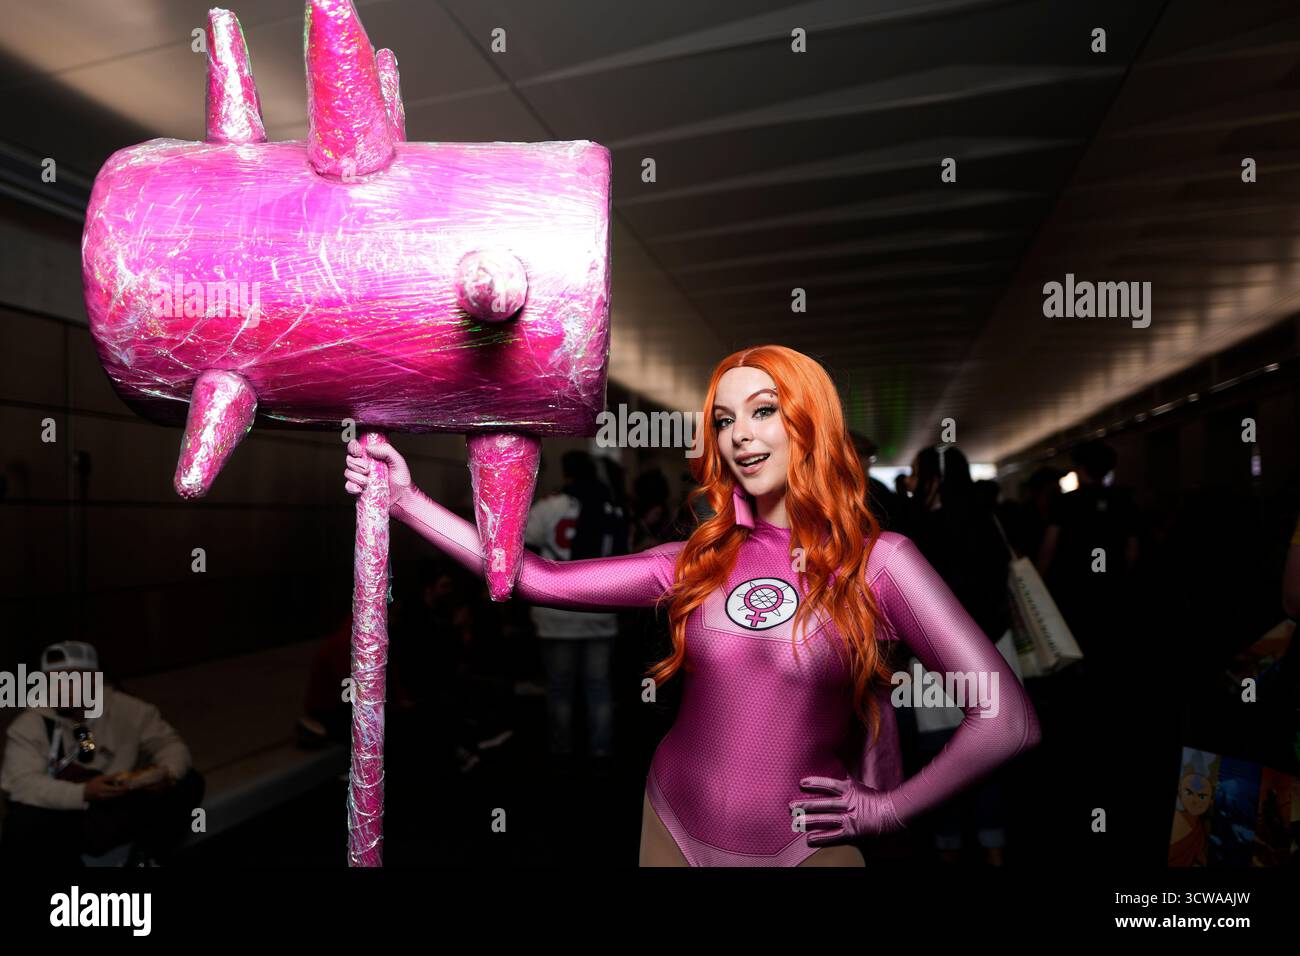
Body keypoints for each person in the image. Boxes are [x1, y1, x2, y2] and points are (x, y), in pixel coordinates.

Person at [344, 345, 1041, 867]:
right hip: (669, 822)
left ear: (810, 424)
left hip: (804, 847)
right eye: (726, 418)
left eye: (765, 411)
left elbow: (1007, 719)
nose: (740, 435)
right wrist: (406, 501)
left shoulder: (881, 562)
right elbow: (536, 579)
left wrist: (888, 809)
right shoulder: (698, 559)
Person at [0, 641, 204, 866]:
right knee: (22, 825)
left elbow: (169, 744)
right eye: (53, 680)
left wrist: (167, 774)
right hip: (70, 813)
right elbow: (18, 783)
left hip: (120, 806)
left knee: (189, 783)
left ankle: (145, 858)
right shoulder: (30, 724)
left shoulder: (127, 709)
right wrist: (83, 793)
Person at [524, 451, 627, 770]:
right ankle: (601, 752)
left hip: (555, 613)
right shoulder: (612, 509)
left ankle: (561, 753)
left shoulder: (547, 508)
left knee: (560, 688)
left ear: (566, 474)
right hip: (599, 610)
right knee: (598, 687)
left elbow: (524, 543)